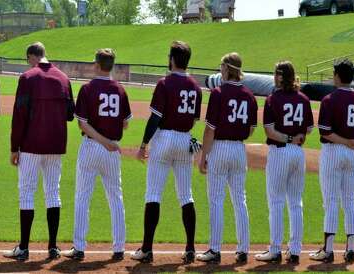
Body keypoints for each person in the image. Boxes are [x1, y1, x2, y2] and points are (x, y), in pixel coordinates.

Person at [133, 41, 203, 263]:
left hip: (164, 139)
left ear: (172, 59)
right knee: (186, 195)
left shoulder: (164, 83)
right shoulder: (196, 87)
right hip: (185, 140)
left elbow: (155, 118)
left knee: (153, 193)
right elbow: (193, 120)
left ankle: (146, 249)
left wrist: (144, 144)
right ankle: (190, 248)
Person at [5, 42, 73, 261]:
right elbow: (70, 114)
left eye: (27, 59)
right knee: (53, 192)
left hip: (31, 145)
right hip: (55, 145)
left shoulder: (27, 78)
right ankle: (53, 247)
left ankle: (23, 248)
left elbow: (19, 116)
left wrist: (14, 147)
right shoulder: (64, 78)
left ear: (32, 57)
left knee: (27, 192)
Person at [63, 49, 130, 261]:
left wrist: (102, 141)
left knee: (83, 197)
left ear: (97, 65)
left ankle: (79, 247)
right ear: (112, 65)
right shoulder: (120, 90)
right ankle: (119, 247)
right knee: (115, 198)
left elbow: (82, 123)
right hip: (112, 149)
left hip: (92, 146)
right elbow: (126, 122)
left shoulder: (87, 88)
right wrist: (109, 140)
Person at [195, 53, 258, 263]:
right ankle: (243, 249)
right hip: (239, 150)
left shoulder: (218, 93)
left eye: (221, 66)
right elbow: (250, 130)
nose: (219, 70)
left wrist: (204, 155)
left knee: (216, 201)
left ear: (227, 68)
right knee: (240, 200)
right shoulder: (249, 95)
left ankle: (214, 249)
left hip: (220, 148)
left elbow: (209, 130)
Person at [310, 59, 354, 262]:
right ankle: (351, 248)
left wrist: (344, 142)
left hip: (333, 151)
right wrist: (349, 143)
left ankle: (328, 249)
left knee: (331, 201)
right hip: (352, 153)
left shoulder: (329, 99)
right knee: (350, 200)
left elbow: (325, 132)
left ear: (337, 76)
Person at [258, 61, 313, 263]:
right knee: (296, 203)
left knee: (276, 202)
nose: (273, 77)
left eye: (275, 73)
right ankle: (295, 250)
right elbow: (308, 129)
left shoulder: (273, 99)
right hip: (298, 153)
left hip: (280, 151)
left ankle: (274, 249)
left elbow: (269, 131)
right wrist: (295, 136)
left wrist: (288, 138)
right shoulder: (304, 99)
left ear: (280, 76)